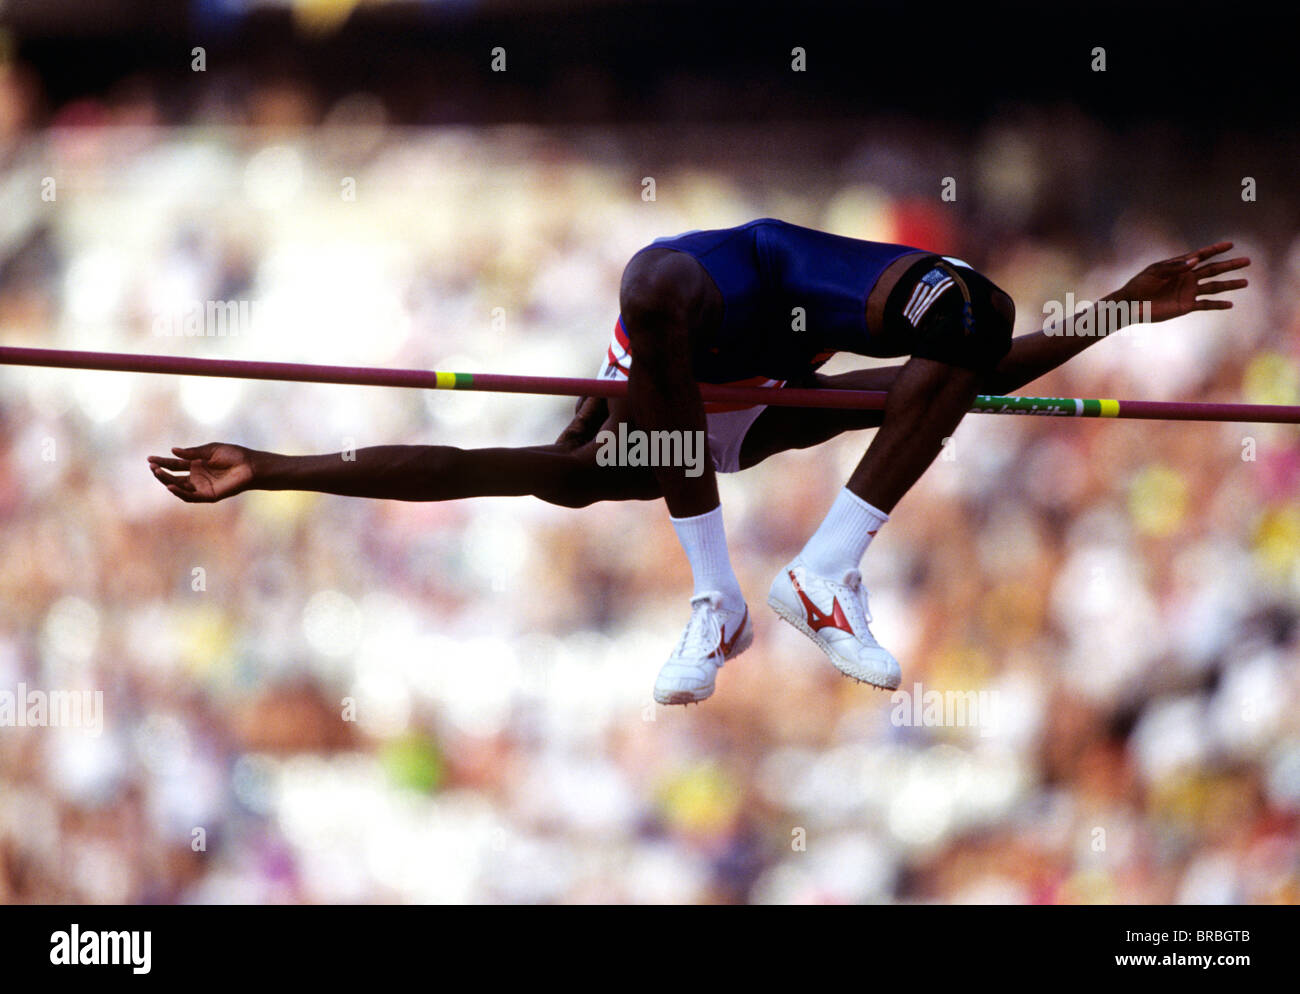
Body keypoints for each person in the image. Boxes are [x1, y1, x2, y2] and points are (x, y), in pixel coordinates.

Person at [148, 220, 1248, 706]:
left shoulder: (641, 371)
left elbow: (443, 460)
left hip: (753, 267)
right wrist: (1114, 309)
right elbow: (977, 368)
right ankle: (772, 586)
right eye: (595, 425)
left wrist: (274, 461)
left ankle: (767, 583)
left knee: (656, 289)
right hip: (787, 322)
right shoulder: (753, 429)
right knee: (968, 323)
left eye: (594, 415)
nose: (586, 430)